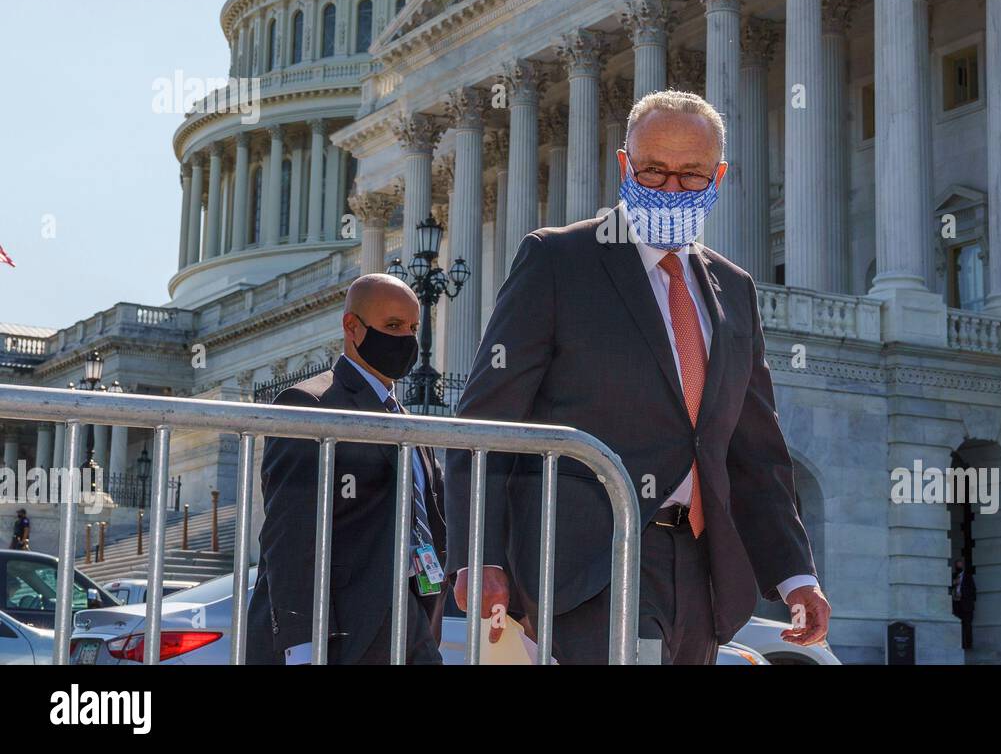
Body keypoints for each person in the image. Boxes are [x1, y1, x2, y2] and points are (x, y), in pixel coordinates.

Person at [447, 89, 831, 664]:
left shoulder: (735, 290)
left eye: (691, 175)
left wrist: (795, 574)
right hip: (588, 563)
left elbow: (756, 451)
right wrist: (480, 554)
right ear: (624, 165)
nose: (672, 189)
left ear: (718, 176)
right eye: (654, 171)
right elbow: (488, 418)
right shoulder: (558, 261)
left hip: (700, 570)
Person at [246, 273, 447, 665]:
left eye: (412, 328)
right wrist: (302, 648)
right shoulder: (312, 404)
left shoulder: (407, 420)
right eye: (392, 326)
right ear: (351, 327)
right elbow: (290, 536)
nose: (406, 340)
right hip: (339, 634)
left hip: (409, 627)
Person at [952, 557, 976, 650]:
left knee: (967, 626)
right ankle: (960, 644)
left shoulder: (968, 577)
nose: (958, 566)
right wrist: (954, 583)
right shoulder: (953, 576)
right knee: (958, 626)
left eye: (960, 564)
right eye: (957, 564)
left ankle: (968, 645)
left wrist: (963, 594)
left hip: (966, 605)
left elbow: (973, 591)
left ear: (963, 565)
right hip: (957, 604)